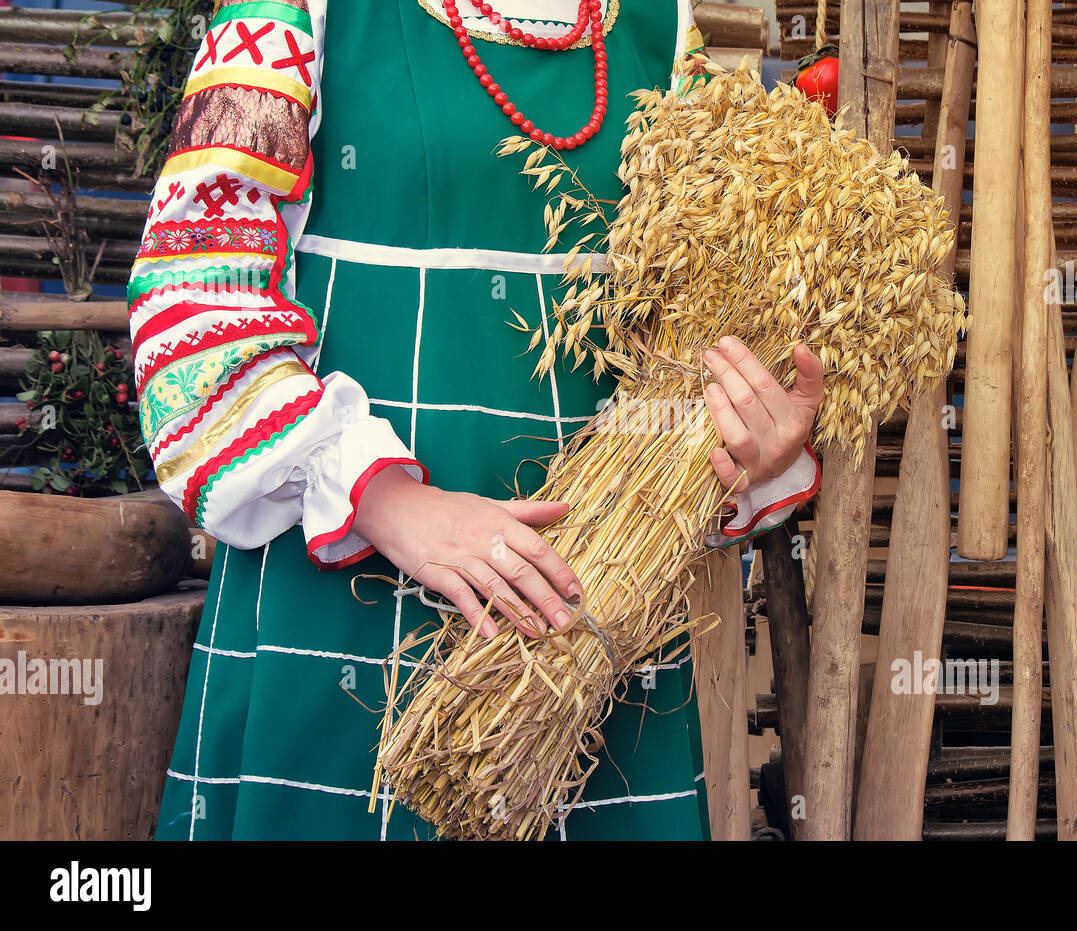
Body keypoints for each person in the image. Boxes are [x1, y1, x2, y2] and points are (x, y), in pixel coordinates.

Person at [133, 0, 823, 841]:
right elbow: (194, 296)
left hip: (583, 616)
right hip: (339, 592)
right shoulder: (295, 15)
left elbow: (684, 335)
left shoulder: (662, 32)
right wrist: (385, 500)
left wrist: (743, 443)